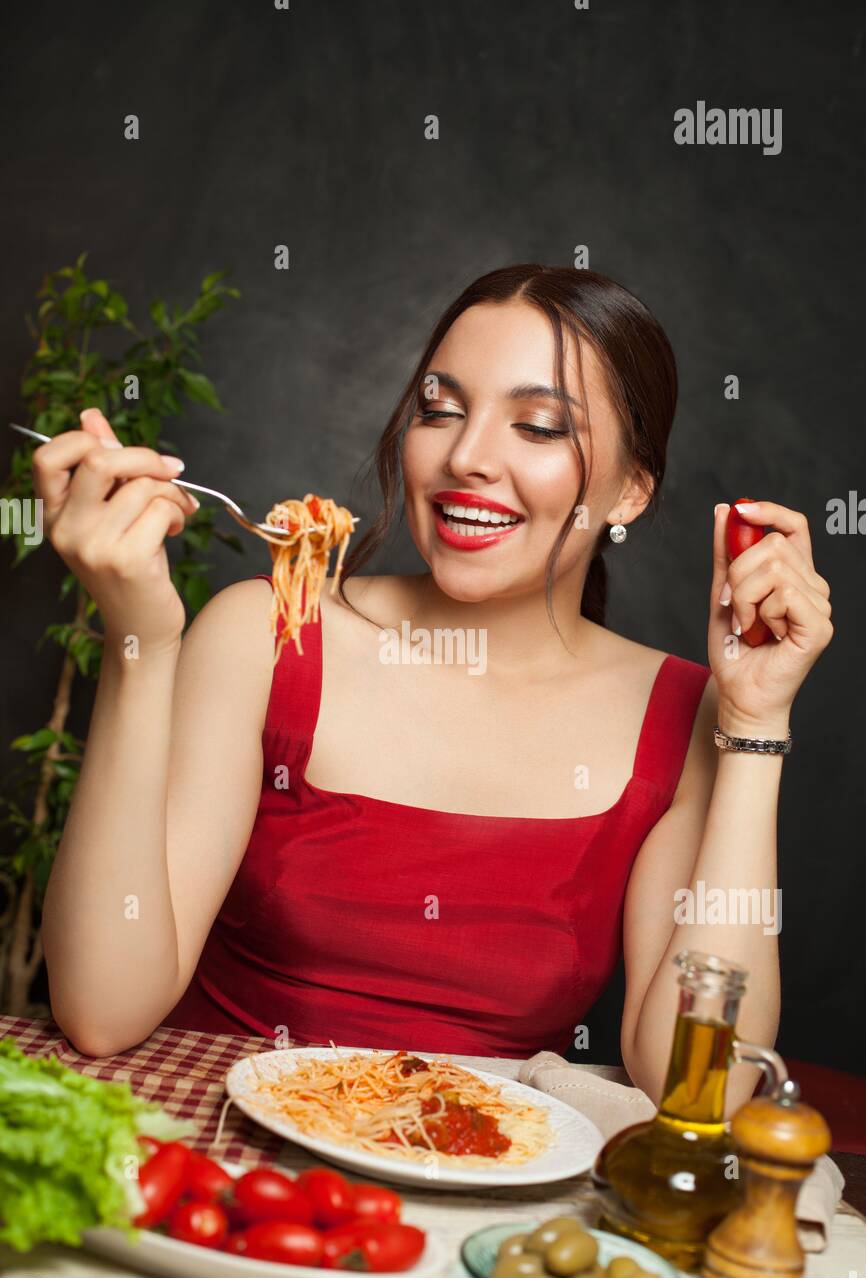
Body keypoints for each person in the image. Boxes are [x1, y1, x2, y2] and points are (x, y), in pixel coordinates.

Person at [36, 265, 832, 1112]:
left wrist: (754, 724)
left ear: (631, 488)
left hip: (485, 1197)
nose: (466, 457)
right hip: (221, 1163)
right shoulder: (269, 629)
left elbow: (699, 1087)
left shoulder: (684, 711)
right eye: (439, 409)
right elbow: (99, 1012)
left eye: (538, 426)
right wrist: (142, 642)